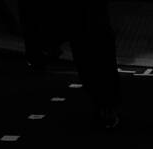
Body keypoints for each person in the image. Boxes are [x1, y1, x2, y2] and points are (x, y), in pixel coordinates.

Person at [18, 0, 122, 130]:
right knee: (97, 69)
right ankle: (106, 106)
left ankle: (105, 106)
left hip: (88, 29)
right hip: (90, 28)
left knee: (94, 69)